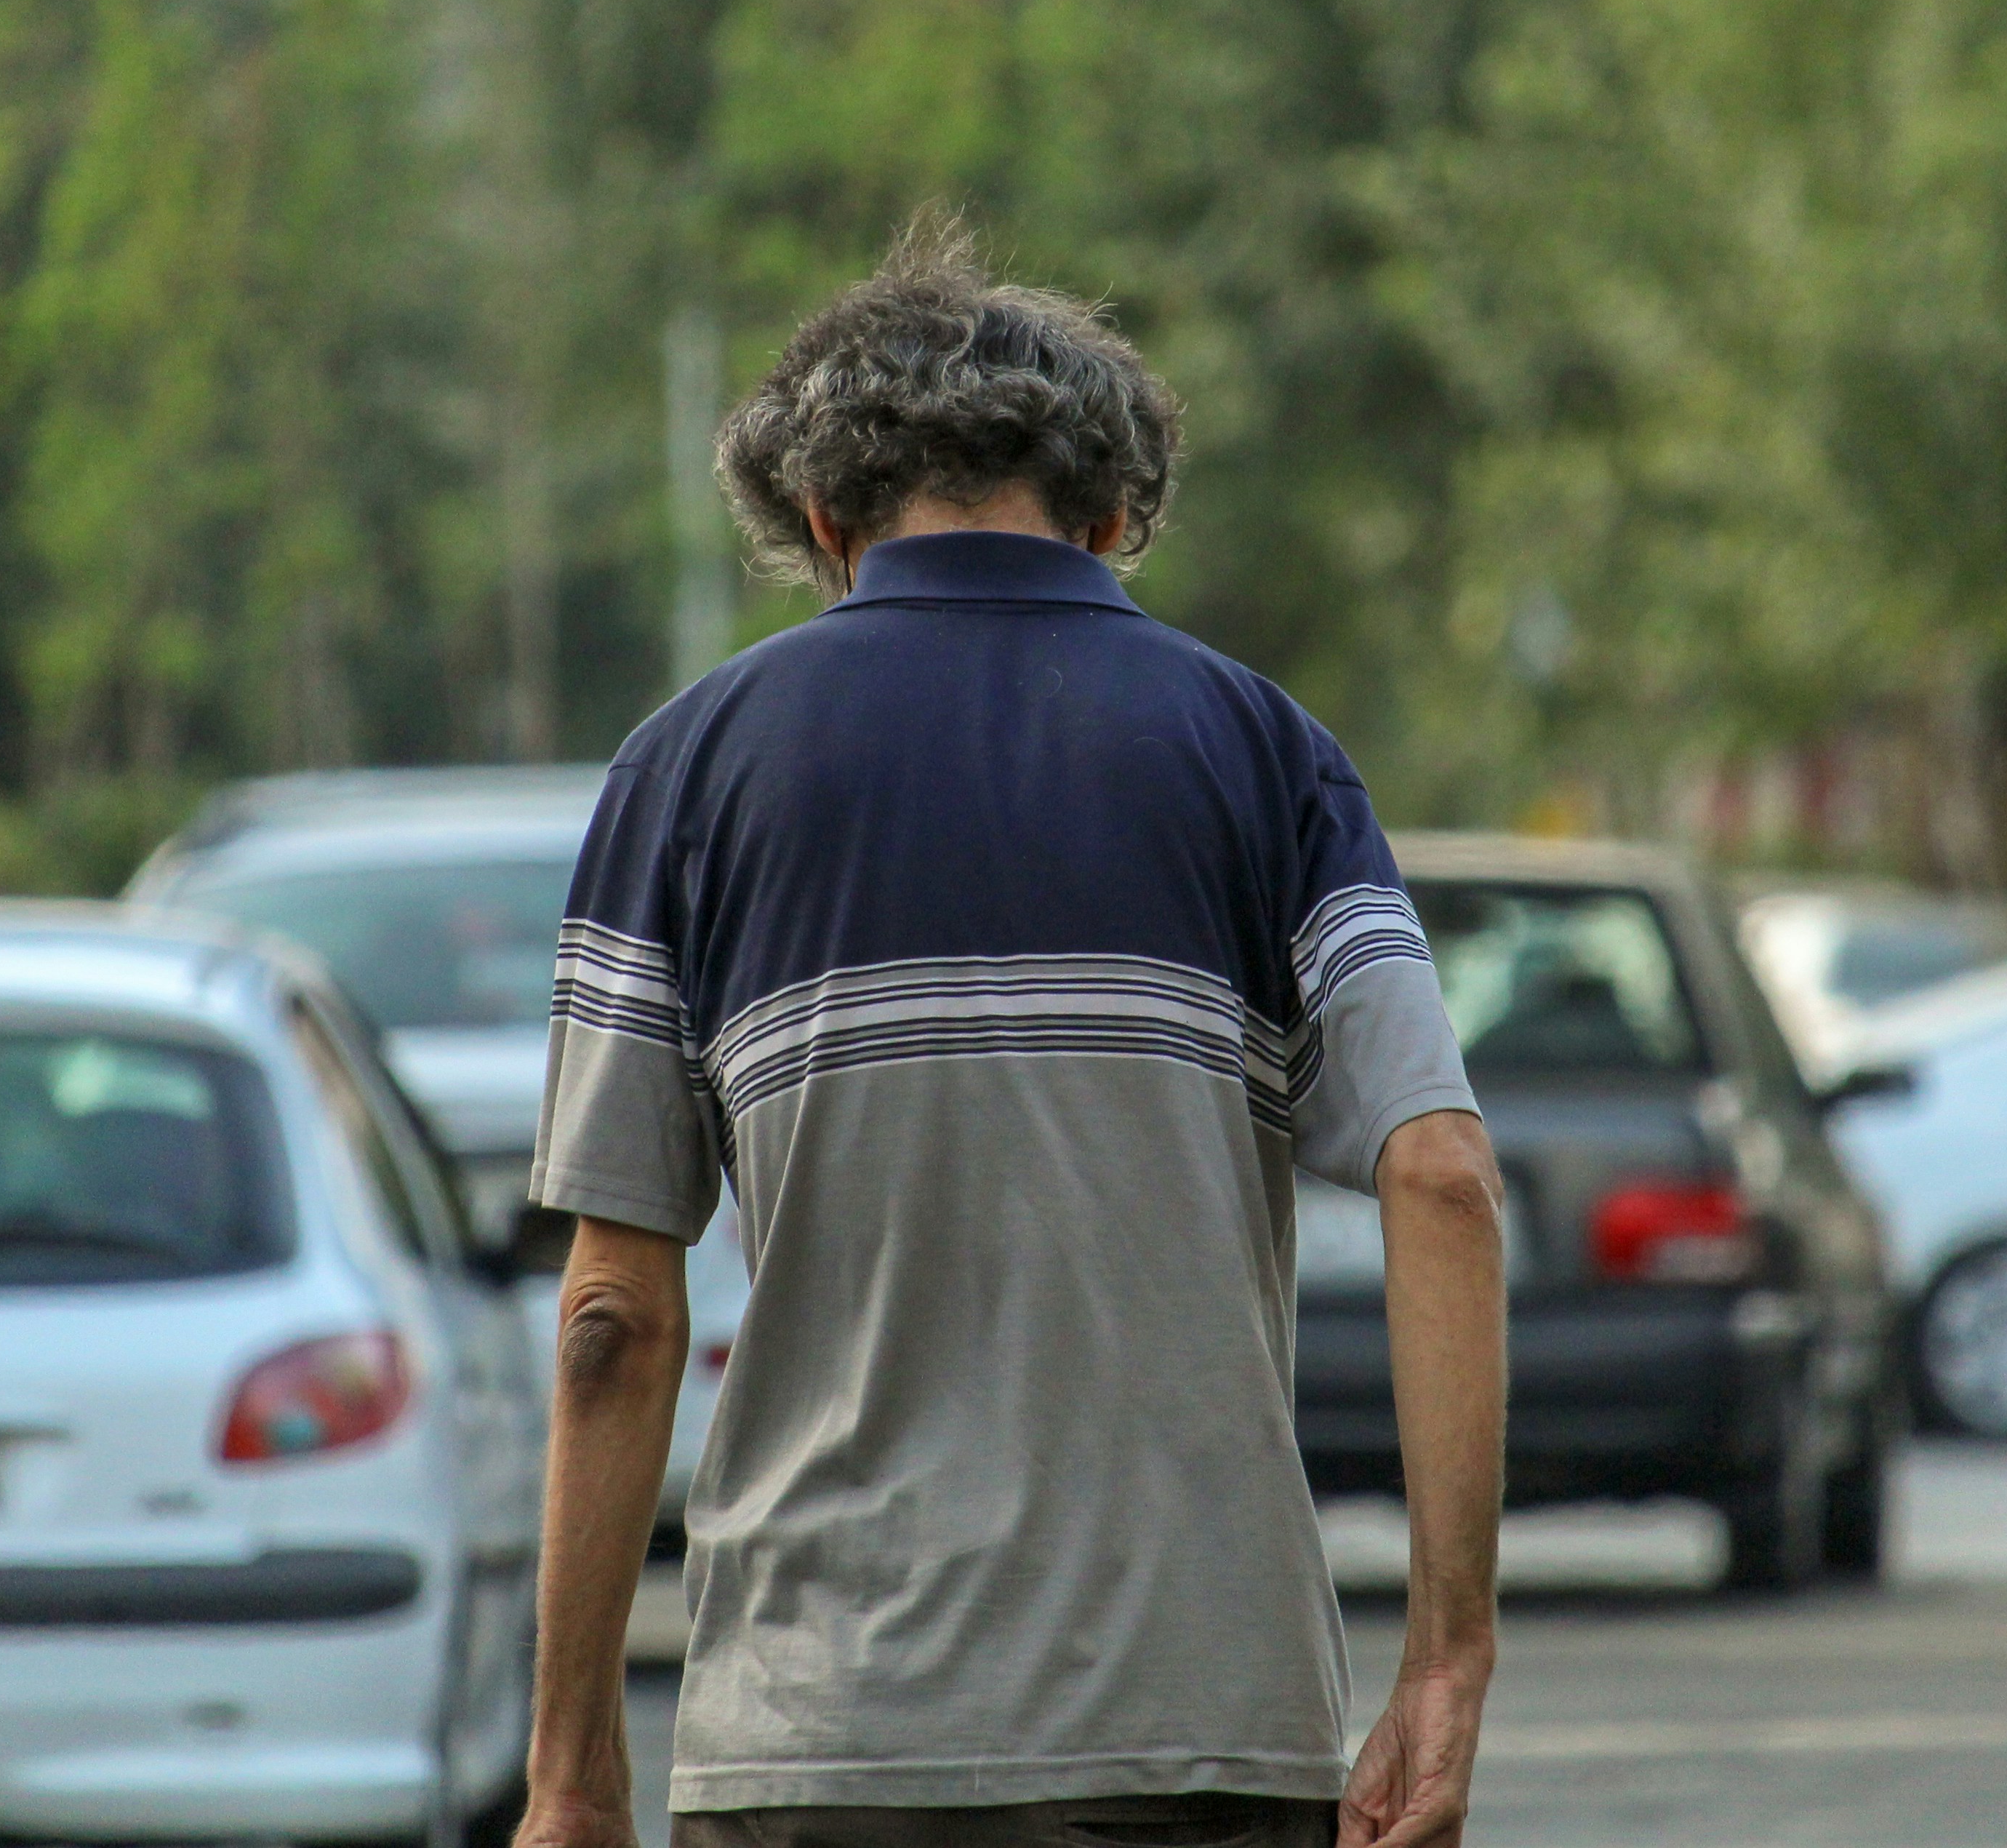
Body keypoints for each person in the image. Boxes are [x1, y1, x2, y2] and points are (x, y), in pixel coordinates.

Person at [516, 217, 1509, 1848]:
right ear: (1115, 521)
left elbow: (613, 1317)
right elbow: (1445, 1180)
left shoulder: (683, 775)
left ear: (826, 525)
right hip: (1200, 1730)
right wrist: (1447, 1661)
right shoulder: (1267, 755)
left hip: (817, 1739)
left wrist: (570, 1777)